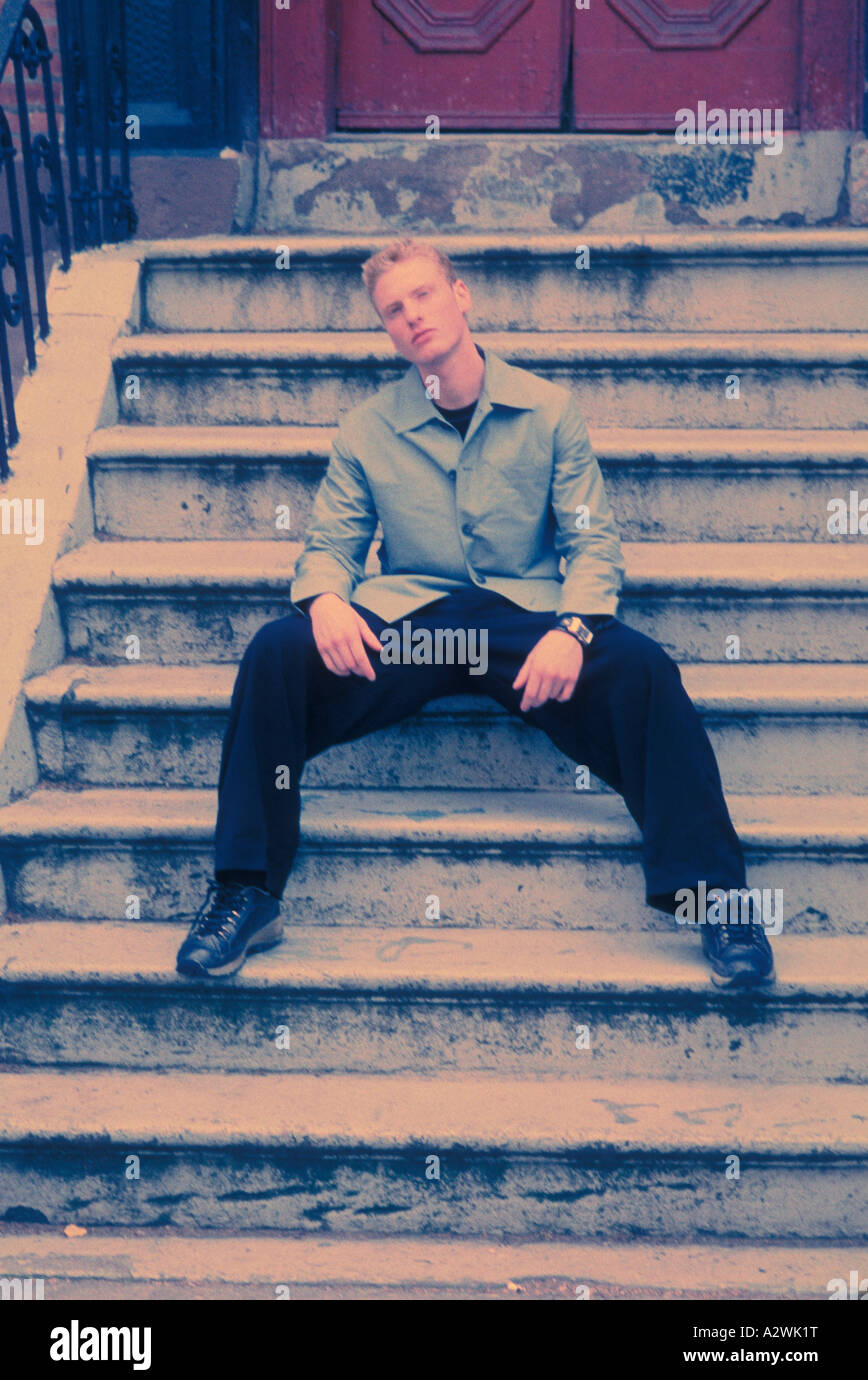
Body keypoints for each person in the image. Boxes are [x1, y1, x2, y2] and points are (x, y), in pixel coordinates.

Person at [176, 237, 774, 990]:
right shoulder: (367, 428)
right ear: (387, 331)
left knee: (645, 671)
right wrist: (326, 598)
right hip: (413, 623)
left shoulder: (551, 410)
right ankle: (246, 892)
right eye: (394, 310)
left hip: (522, 620)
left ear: (461, 296)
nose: (412, 316)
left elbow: (594, 543)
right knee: (275, 653)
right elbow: (331, 540)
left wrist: (574, 630)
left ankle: (716, 900)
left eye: (424, 295)